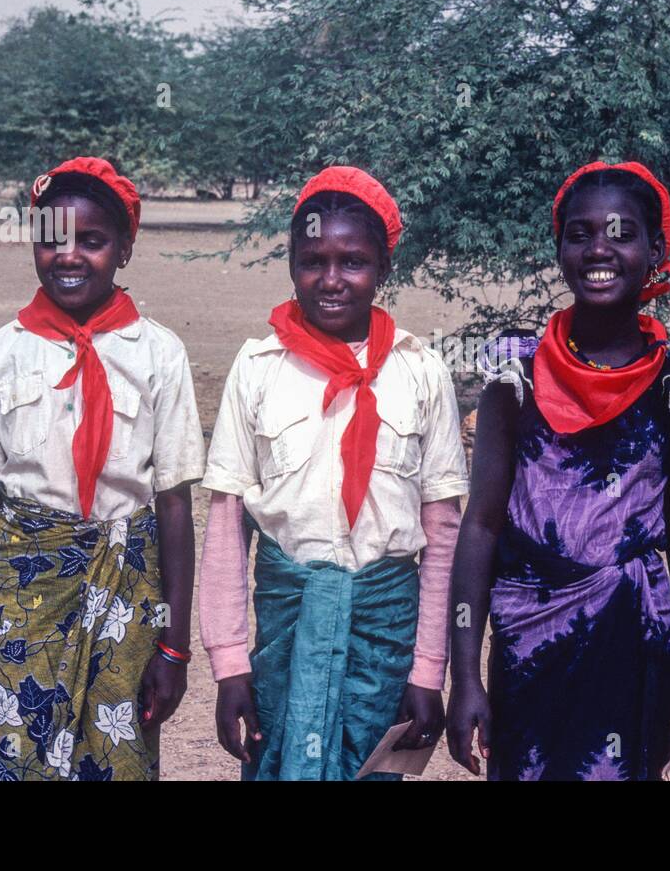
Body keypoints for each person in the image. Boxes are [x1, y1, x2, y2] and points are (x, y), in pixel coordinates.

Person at [447, 161, 670, 781]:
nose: (599, 248)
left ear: (655, 250)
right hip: (528, 644)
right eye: (580, 233)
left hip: (638, 648)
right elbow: (482, 527)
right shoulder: (514, 372)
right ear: (561, 247)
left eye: (621, 233)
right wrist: (464, 678)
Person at [199, 166, 470, 780]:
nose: (330, 280)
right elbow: (225, 524)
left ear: (383, 268)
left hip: (385, 635)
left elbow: (443, 534)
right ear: (291, 264)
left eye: (353, 262)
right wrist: (229, 664)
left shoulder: (421, 372)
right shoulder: (258, 367)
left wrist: (429, 671)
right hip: (285, 633)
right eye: (312, 260)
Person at [0, 156, 206, 781]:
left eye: (92, 241)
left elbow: (173, 506)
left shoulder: (161, 354)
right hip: (22, 598)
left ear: (124, 250)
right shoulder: (2, 352)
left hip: (126, 599)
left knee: (116, 757)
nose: (69, 256)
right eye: (52, 240)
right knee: (14, 754)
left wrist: (173, 646)